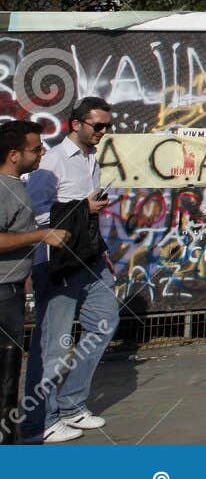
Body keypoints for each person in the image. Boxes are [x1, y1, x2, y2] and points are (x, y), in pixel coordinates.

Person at [25, 97, 120, 444]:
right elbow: (34, 216)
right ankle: (41, 420)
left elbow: (85, 216)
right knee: (52, 344)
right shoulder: (51, 163)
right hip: (58, 262)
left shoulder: (91, 159)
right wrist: (85, 207)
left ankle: (71, 404)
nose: (103, 132)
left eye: (107, 126)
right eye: (98, 126)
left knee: (105, 322)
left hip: (90, 257)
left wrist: (101, 247)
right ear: (75, 124)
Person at [0, 121, 66, 445]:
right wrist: (41, 235)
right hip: (2, 292)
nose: (42, 153)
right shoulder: (3, 189)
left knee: (9, 373)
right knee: (6, 375)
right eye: (36, 149)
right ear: (14, 154)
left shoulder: (16, 186)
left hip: (10, 289)